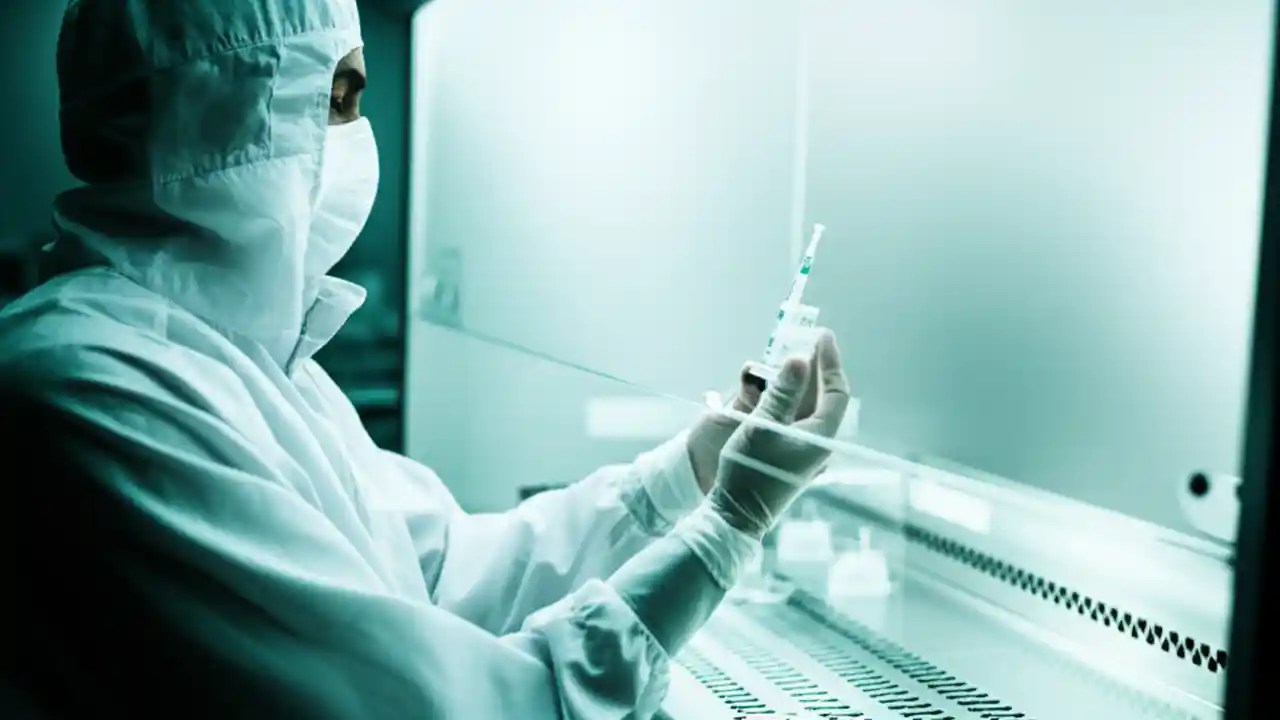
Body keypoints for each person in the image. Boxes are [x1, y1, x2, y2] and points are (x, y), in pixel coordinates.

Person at [0, 1, 850, 717]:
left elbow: (446, 578)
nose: (357, 137)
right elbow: (444, 705)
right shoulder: (91, 387)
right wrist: (727, 528)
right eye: (333, 99)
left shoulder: (252, 360)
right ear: (212, 113)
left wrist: (691, 470)